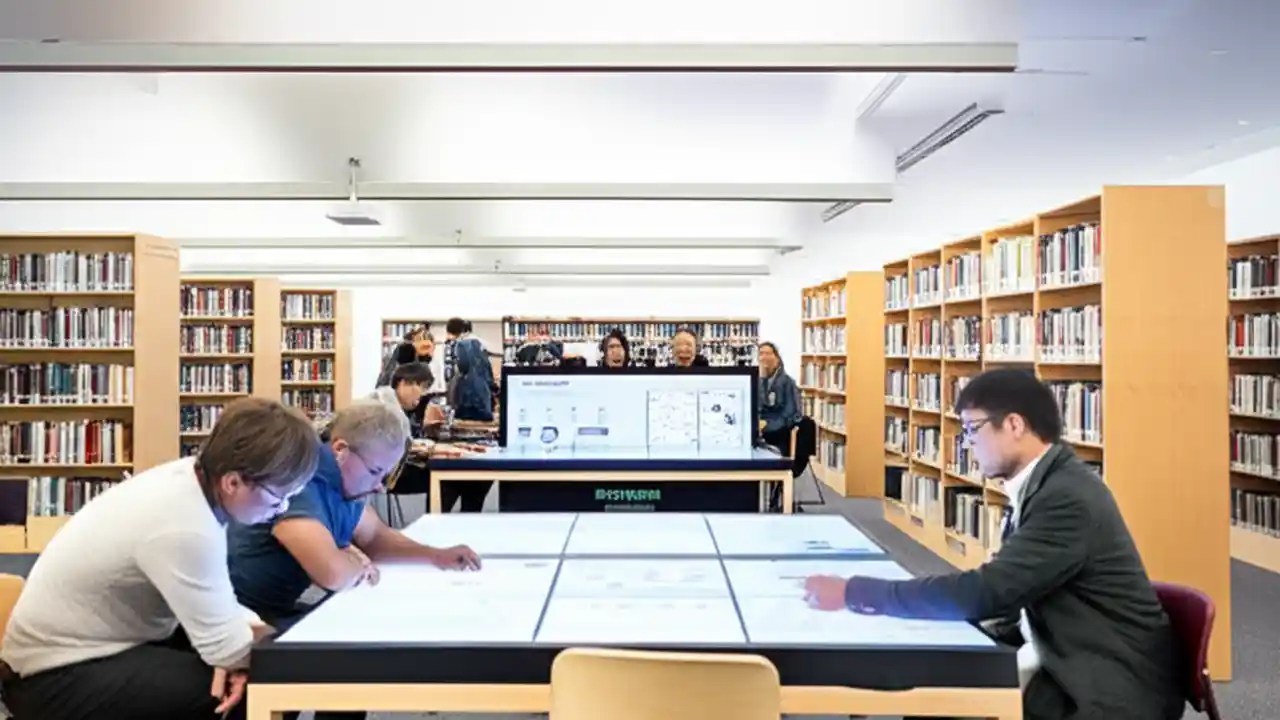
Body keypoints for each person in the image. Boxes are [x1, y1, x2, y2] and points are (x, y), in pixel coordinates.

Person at [802, 368, 1182, 720]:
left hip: (1101, 688)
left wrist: (857, 591)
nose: (966, 445)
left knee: (938, 694)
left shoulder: (1067, 498)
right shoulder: (1047, 483)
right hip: (1063, 655)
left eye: (972, 429)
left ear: (1015, 424)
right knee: (933, 677)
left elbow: (991, 590)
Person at [0, 398, 320, 720]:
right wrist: (242, 655)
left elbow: (218, 608)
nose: (281, 509)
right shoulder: (186, 527)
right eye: (280, 496)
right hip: (51, 678)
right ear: (233, 482)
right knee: (267, 689)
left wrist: (242, 648)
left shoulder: (191, 481)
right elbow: (228, 647)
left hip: (100, 646)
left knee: (264, 669)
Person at [227, 400, 481, 720]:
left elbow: (373, 536)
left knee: (351, 655)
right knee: (345, 660)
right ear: (341, 450)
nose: (378, 485)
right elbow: (332, 573)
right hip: (239, 614)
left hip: (273, 611)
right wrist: (352, 563)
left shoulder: (344, 483)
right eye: (375, 471)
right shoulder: (303, 477)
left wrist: (434, 556)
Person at [757, 341, 803, 456]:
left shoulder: (788, 383)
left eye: (768, 353)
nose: (764, 357)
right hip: (759, 431)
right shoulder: (758, 382)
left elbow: (791, 414)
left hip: (778, 433)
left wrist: (767, 426)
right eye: (761, 354)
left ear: (777, 358)